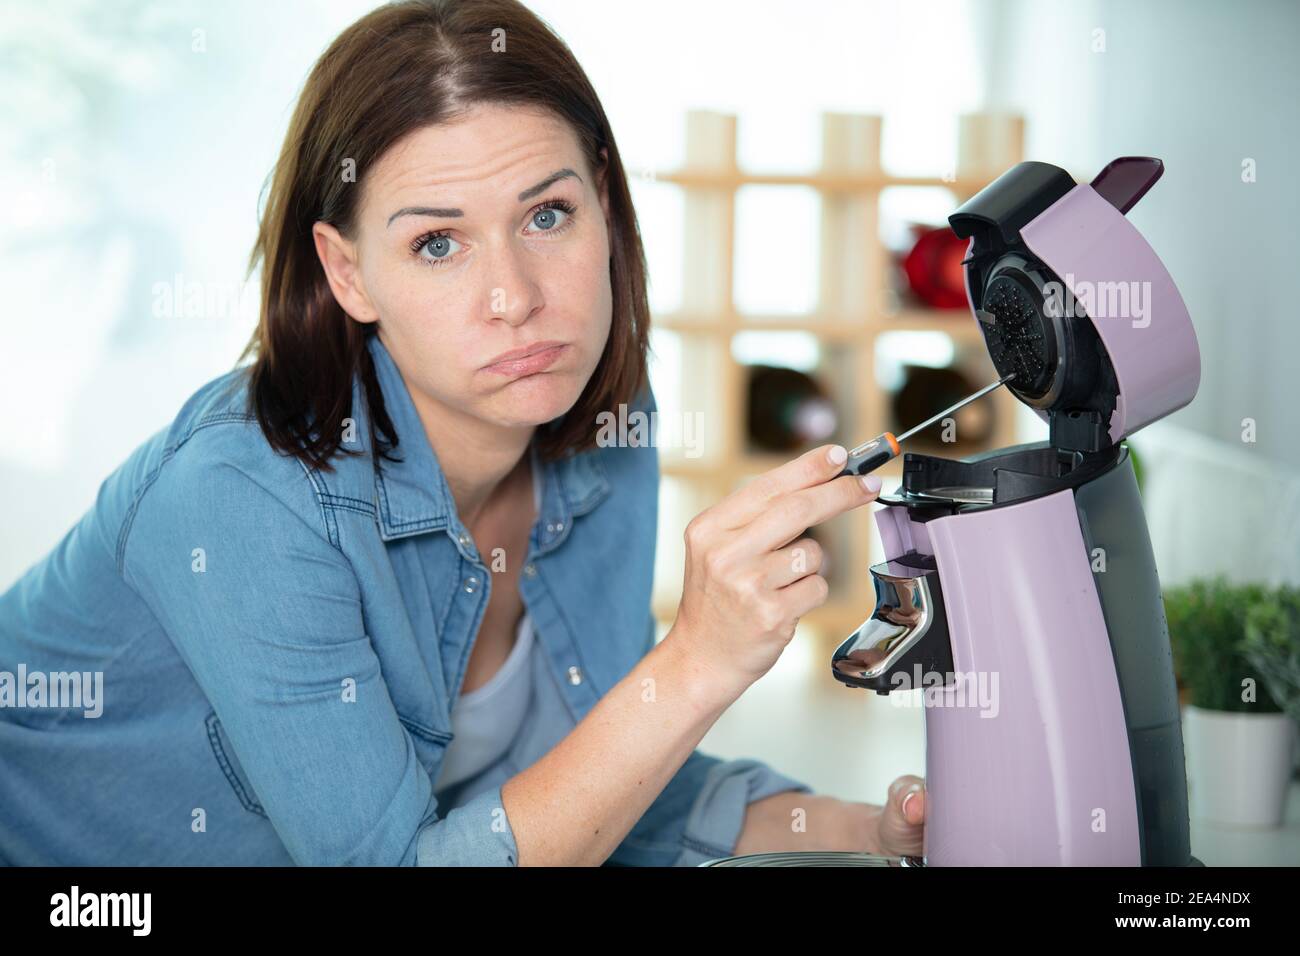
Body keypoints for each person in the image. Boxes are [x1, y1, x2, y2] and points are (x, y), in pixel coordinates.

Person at [0, 0, 925, 866]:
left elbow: (591, 776)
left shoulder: (596, 411)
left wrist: (863, 830)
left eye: (547, 214)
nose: (517, 299)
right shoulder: (242, 498)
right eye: (438, 243)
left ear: (604, 205)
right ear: (347, 271)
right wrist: (696, 661)